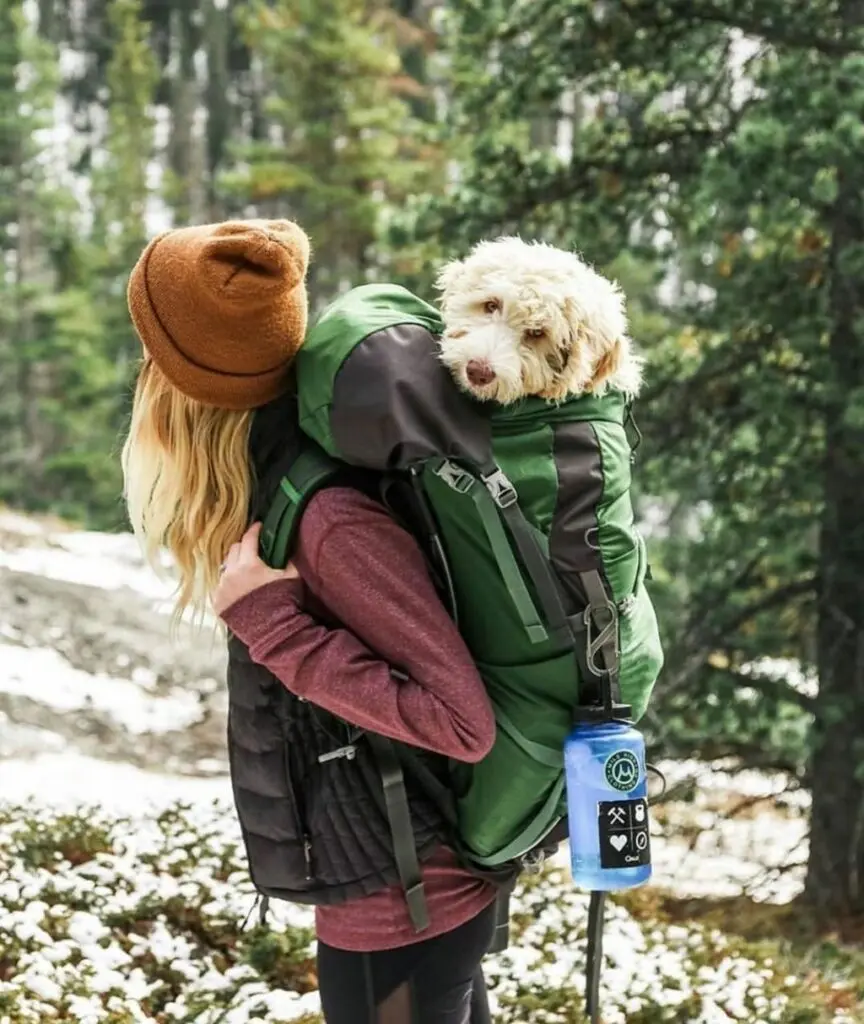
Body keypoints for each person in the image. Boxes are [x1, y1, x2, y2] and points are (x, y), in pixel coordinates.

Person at [121, 218, 500, 1024]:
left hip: (406, 909)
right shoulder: (274, 493)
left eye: (152, 347)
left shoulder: (328, 522)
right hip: (392, 889)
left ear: (190, 383)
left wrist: (278, 626)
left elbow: (462, 723)